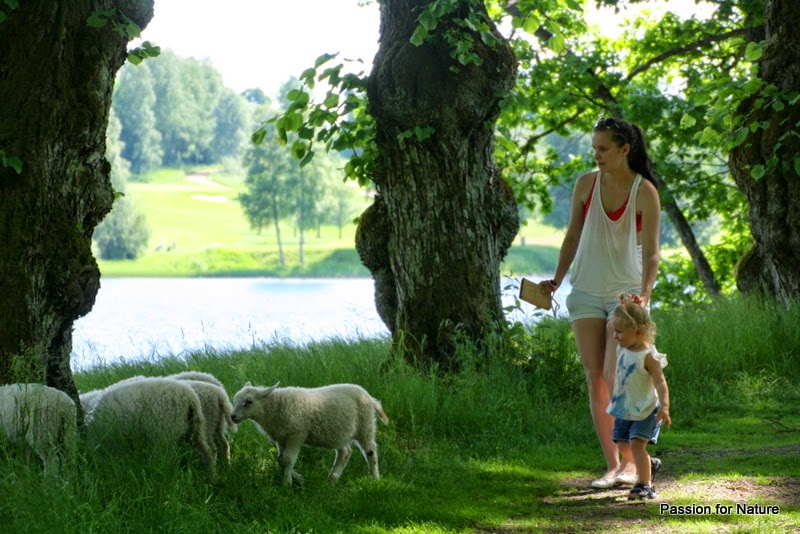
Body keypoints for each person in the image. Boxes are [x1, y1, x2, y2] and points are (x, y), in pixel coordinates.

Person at [538, 116, 661, 488]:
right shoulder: (585, 184)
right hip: (585, 292)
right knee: (596, 380)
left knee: (617, 375)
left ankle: (632, 458)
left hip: (625, 296)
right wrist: (556, 281)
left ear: (625, 149)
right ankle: (615, 465)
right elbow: (572, 235)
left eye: (603, 148)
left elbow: (653, 253)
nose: (597, 155)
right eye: (594, 148)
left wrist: (646, 293)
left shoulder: (644, 191)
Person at [607, 294, 671, 499]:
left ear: (639, 332)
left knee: (636, 444)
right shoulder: (622, 349)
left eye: (620, 332)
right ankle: (649, 465)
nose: (615, 336)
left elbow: (660, 382)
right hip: (625, 408)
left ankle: (645, 485)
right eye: (614, 331)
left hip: (646, 409)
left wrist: (665, 407)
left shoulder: (649, 356)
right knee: (622, 444)